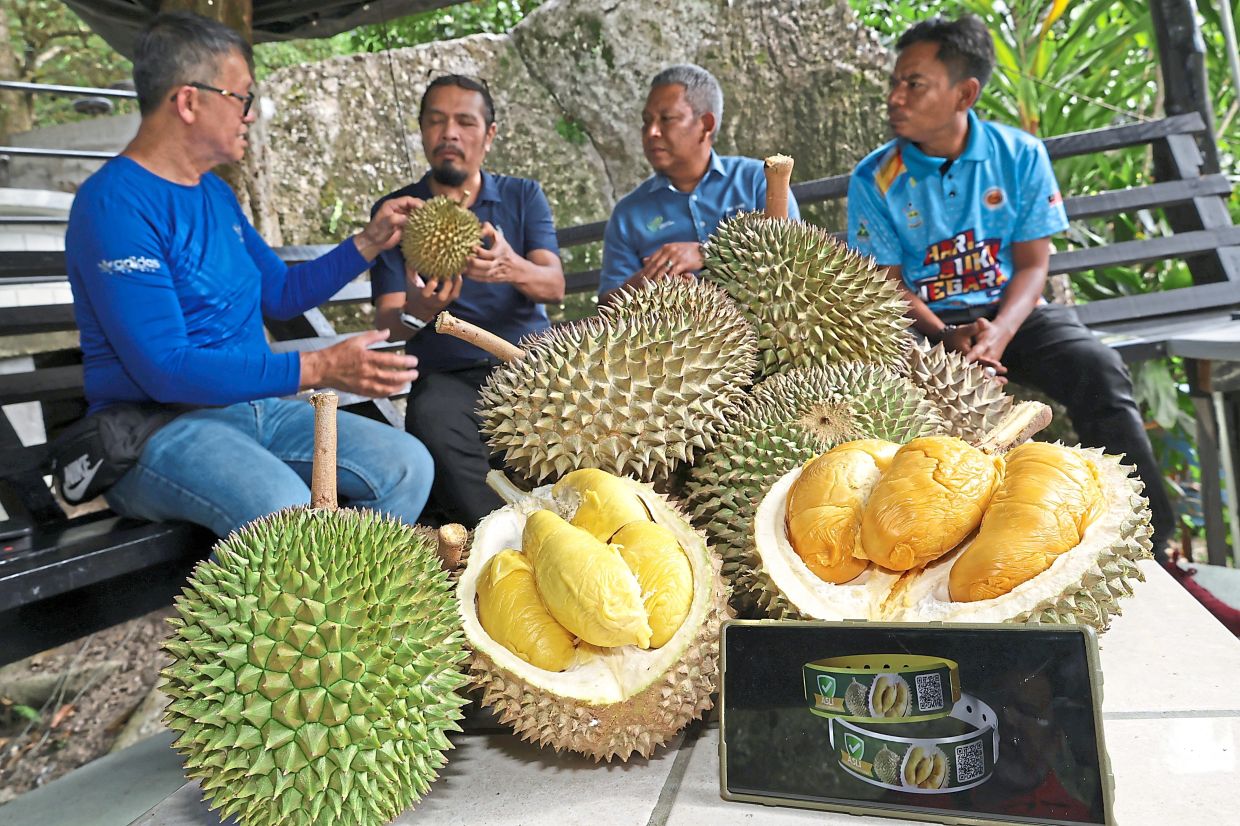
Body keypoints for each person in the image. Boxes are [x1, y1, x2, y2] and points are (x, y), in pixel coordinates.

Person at [64, 12, 434, 538]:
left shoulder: (215, 193)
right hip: (157, 429)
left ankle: (338, 606)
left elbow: (280, 294)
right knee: (285, 511)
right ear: (190, 101)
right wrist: (317, 367)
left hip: (254, 412)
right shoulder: (112, 205)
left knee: (408, 466)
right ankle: (297, 608)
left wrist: (370, 242)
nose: (251, 115)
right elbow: (165, 369)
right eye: (242, 98)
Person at [846, 14, 1175, 560]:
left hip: (1014, 314)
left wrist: (996, 334)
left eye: (914, 84)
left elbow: (1031, 267)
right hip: (923, 327)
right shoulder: (876, 176)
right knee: (885, 408)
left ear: (965, 93)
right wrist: (946, 335)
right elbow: (888, 286)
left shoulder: (1018, 155)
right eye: (895, 83)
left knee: (1097, 369)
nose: (895, 97)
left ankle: (1154, 543)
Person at [370, 75, 565, 527]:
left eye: (464, 122)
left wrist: (509, 265)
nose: (449, 134)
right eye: (436, 121)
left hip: (528, 365)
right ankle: (509, 539)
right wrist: (416, 310)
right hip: (446, 376)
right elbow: (387, 317)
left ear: (489, 134)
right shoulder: (398, 209)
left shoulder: (522, 196)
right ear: (421, 131)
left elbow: (553, 284)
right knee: (433, 419)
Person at [598, 64, 800, 302]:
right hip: (674, 335)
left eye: (667, 119)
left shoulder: (759, 179)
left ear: (705, 125)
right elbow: (605, 307)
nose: (651, 132)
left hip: (763, 326)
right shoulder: (628, 214)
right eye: (646, 121)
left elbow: (792, 264)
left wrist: (709, 253)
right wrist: (650, 281)